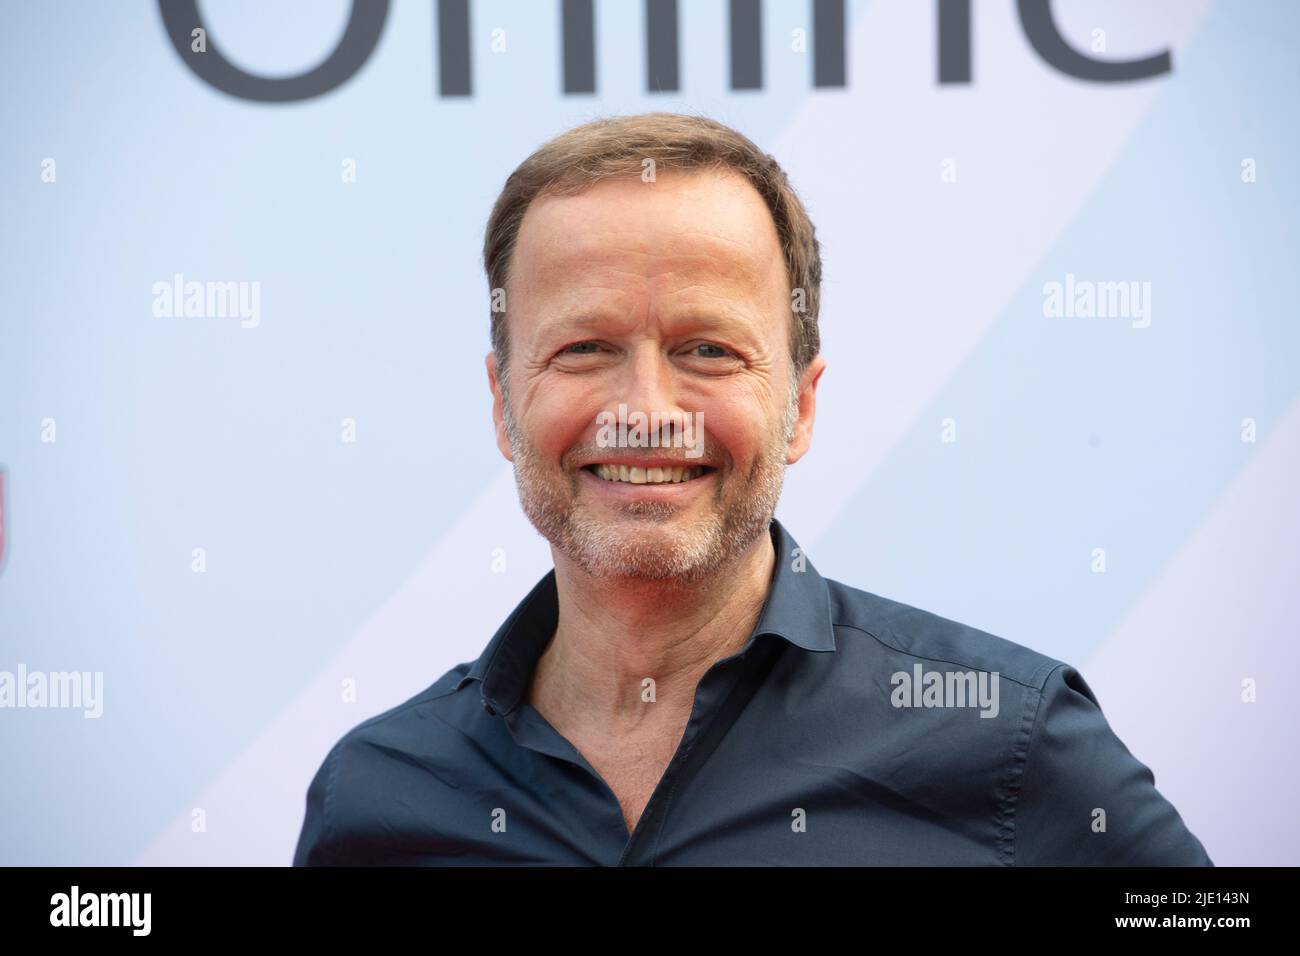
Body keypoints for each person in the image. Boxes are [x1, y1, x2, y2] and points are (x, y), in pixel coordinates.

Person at [293, 112, 1212, 866]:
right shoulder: (377, 797)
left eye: (708, 351)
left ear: (800, 407)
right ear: (502, 404)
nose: (647, 413)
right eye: (584, 349)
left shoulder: (1011, 744)